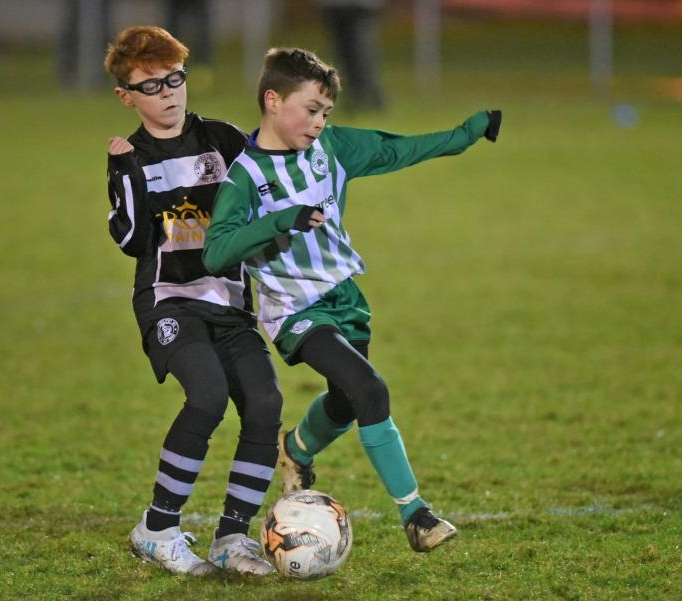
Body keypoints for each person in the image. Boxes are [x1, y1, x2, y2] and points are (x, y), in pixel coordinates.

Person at [203, 47, 501, 553]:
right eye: (310, 109)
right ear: (272, 101)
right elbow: (216, 252)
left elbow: (396, 149)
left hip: (345, 297)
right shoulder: (245, 177)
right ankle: (416, 514)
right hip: (294, 309)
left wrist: (466, 134)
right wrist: (280, 220)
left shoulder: (331, 148)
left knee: (346, 402)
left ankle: (295, 450)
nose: (319, 122)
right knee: (370, 389)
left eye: (326, 112)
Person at [103, 25, 281, 576]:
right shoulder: (130, 157)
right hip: (168, 301)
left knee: (265, 402)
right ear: (126, 96)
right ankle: (157, 529)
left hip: (229, 303)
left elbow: (269, 201)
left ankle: (232, 538)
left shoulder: (223, 140)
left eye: (174, 79)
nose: (167, 93)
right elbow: (132, 241)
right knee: (205, 395)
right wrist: (127, 171)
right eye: (150, 86)